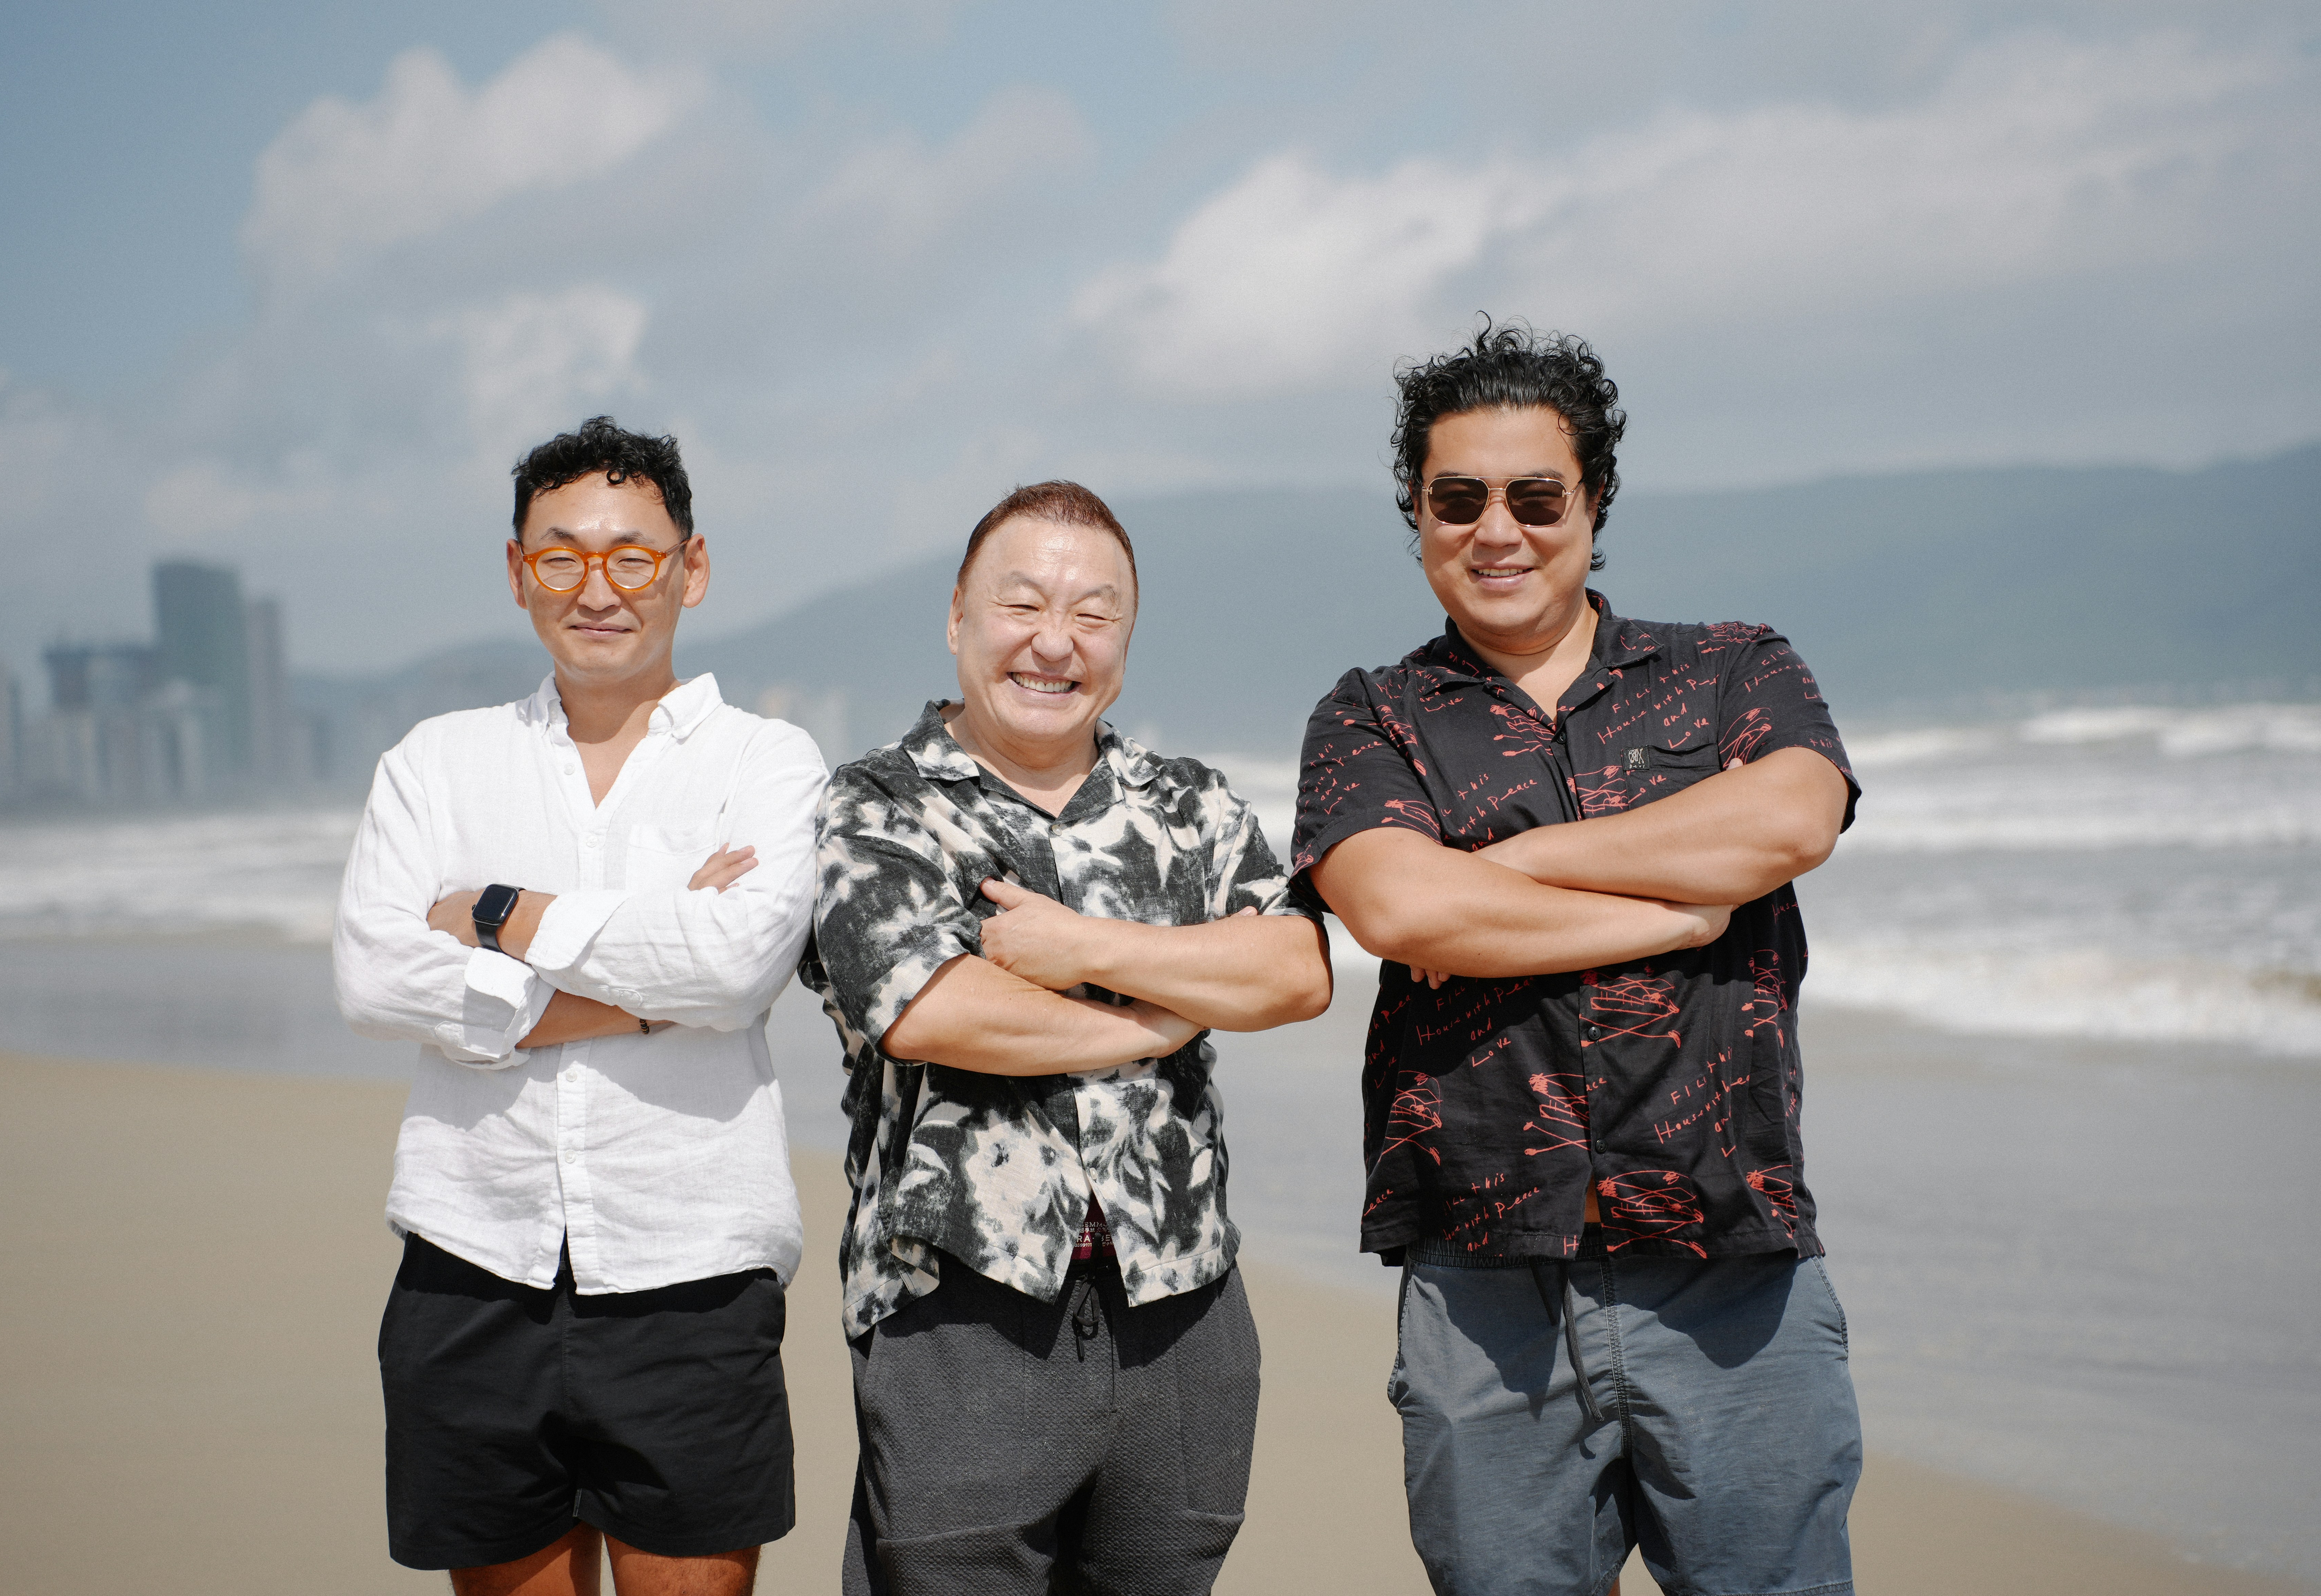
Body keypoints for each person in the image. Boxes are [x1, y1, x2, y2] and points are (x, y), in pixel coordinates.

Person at [1291, 325, 1864, 1596]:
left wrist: (1513, 864)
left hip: (1734, 1275)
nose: (1498, 530)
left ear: (1593, 504)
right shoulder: (1369, 715)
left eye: (1535, 496)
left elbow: (1792, 821)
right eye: (1459, 499)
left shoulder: (1731, 670)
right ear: (1420, 517)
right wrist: (1676, 908)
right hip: (1482, 1290)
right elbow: (1400, 911)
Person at [800, 480, 1334, 1596]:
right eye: (1024, 605)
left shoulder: (1189, 804)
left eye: (1094, 615)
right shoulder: (881, 805)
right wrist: (1172, 1008)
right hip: (962, 1312)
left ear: (1126, 643)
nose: (1056, 643)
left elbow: (1292, 970)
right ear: (959, 619)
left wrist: (1082, 946)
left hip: (1183, 1313)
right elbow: (930, 1010)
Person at [333, 416, 827, 1596]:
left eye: (632, 556)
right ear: (518, 574)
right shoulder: (436, 762)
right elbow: (374, 976)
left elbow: (736, 968)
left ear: (689, 571)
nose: (596, 588)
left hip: (692, 1268)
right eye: (560, 556)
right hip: (472, 1260)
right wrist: (648, 987)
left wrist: (498, 910)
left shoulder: (768, 761)